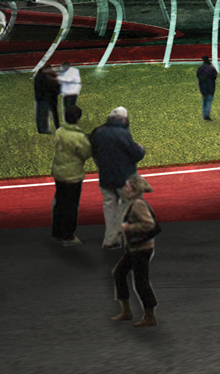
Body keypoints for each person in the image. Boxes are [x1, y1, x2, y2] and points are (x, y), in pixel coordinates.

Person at [108, 174, 160, 327]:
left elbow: (149, 224)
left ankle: (149, 316)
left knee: (141, 281)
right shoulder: (131, 203)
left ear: (134, 189)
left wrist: (127, 227)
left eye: (127, 186)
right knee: (119, 273)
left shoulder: (138, 204)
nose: (124, 189)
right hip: (135, 248)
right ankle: (127, 311)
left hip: (141, 249)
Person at [89, 107, 144, 249]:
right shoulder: (123, 133)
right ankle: (126, 236)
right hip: (124, 178)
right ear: (124, 119)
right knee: (128, 206)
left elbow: (93, 151)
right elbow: (136, 154)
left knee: (109, 208)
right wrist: (141, 148)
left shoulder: (98, 132)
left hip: (105, 177)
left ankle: (110, 240)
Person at [50, 103, 91, 246]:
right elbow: (86, 153)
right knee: (71, 205)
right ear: (78, 118)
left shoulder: (60, 131)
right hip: (72, 175)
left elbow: (56, 143)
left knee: (60, 201)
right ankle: (68, 236)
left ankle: (56, 232)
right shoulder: (79, 136)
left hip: (59, 172)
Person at [33, 63, 61, 133]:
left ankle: (42, 129)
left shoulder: (38, 77)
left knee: (42, 114)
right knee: (54, 113)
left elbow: (37, 88)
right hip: (51, 98)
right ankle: (57, 127)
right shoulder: (53, 77)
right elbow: (58, 87)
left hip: (42, 98)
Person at [196, 53, 219, 120]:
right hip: (210, 87)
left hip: (203, 87)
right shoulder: (211, 67)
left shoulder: (201, 68)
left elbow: (198, 76)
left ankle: (205, 115)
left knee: (205, 101)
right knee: (208, 101)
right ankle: (206, 116)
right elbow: (214, 75)